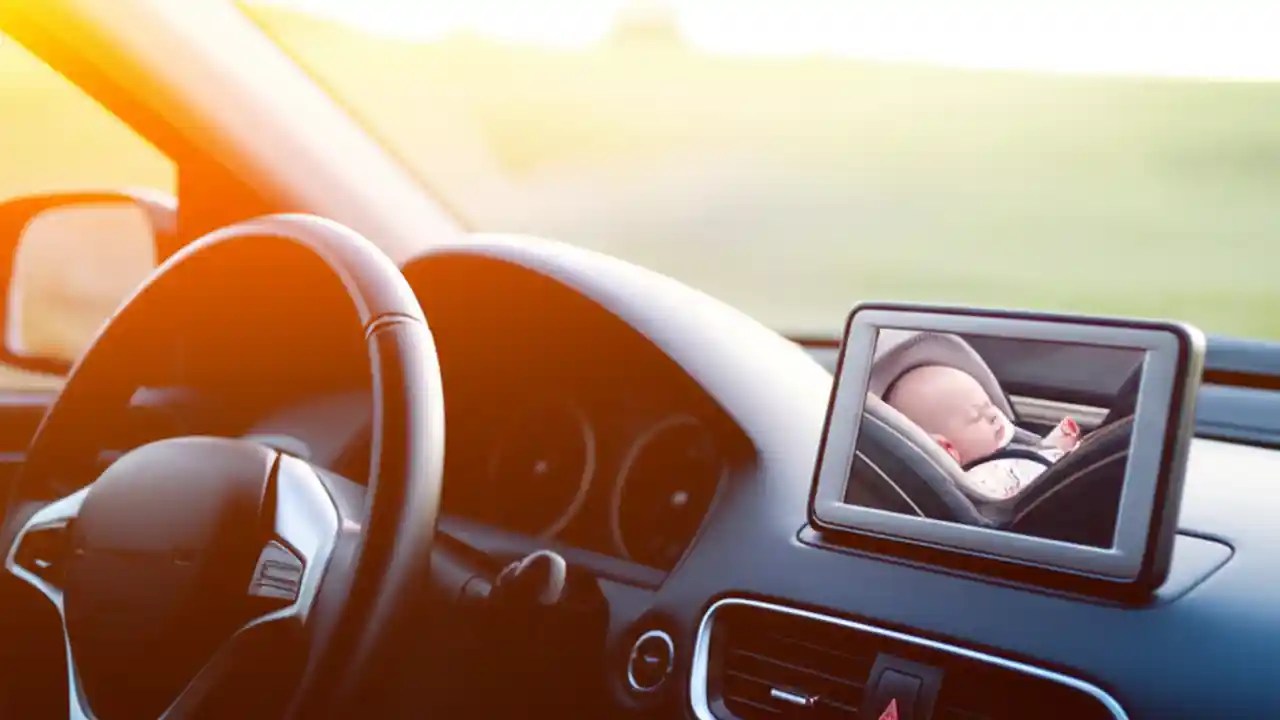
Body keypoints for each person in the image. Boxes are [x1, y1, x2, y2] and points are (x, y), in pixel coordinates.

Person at [883, 364, 1080, 501]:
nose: (994, 416)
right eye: (977, 416)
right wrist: (1059, 456)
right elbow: (1029, 490)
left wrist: (1052, 449)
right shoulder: (979, 483)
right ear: (946, 449)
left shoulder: (1001, 456)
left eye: (990, 406)